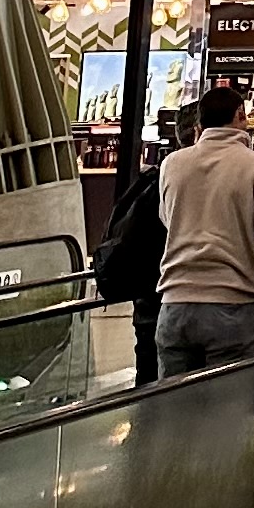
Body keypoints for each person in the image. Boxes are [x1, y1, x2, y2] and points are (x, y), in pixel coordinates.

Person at [154, 78, 254, 371]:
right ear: (241, 115)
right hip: (233, 306)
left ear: (200, 123)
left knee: (172, 408)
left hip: (174, 305)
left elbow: (168, 219)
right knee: (228, 408)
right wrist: (253, 268)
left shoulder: (172, 164)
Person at [95, 106, 177, 385]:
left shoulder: (149, 182)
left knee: (149, 383)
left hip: (149, 304)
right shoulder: (168, 183)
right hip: (172, 298)